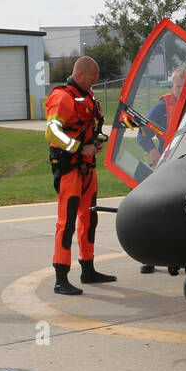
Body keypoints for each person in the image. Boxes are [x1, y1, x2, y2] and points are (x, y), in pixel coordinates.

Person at [45, 56, 117, 295]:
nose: (94, 82)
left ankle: (88, 269)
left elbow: (86, 128)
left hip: (87, 166)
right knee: (66, 222)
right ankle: (61, 278)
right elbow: (52, 132)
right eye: (91, 78)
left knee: (89, 218)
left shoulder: (87, 96)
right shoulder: (63, 97)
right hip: (69, 167)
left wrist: (93, 144)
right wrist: (78, 148)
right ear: (79, 75)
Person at [137, 67, 186, 273]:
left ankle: (173, 256)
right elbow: (143, 133)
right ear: (172, 86)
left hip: (185, 163)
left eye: (185, 86)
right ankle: (148, 256)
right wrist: (152, 150)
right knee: (155, 210)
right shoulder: (162, 106)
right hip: (164, 165)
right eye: (178, 86)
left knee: (179, 212)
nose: (181, 90)